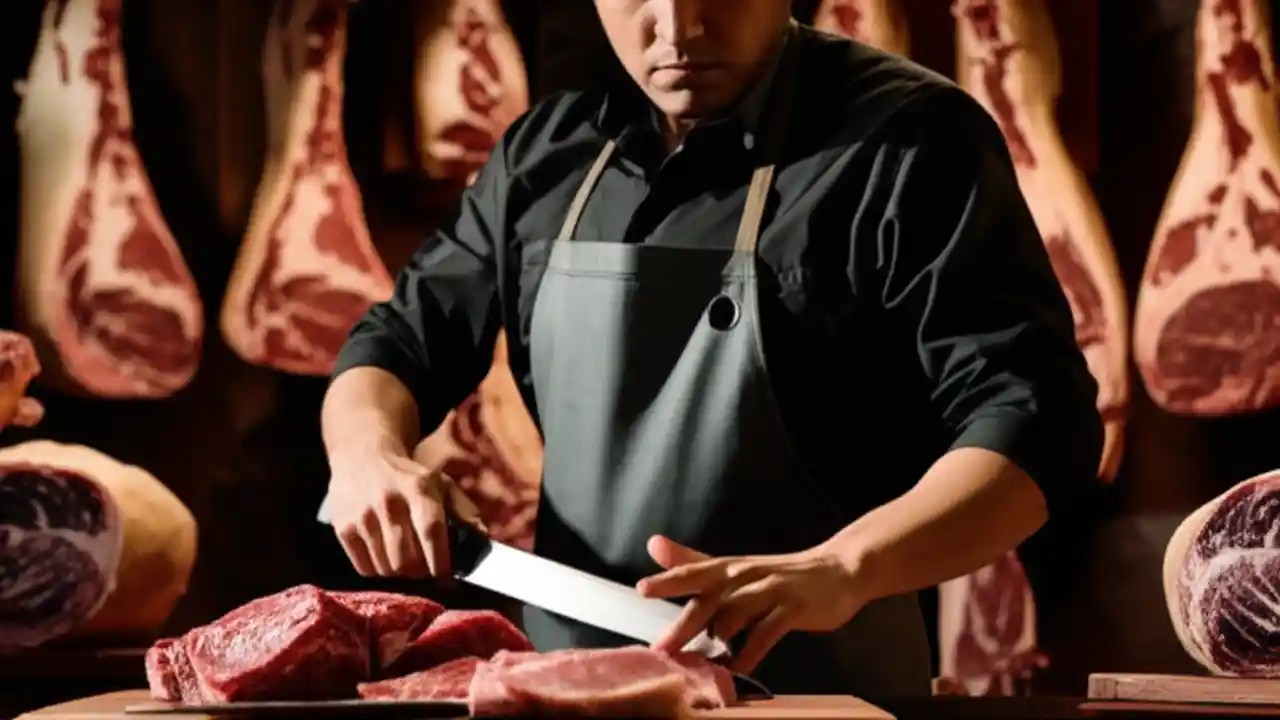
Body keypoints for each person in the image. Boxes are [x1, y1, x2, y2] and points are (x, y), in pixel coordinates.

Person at [319, 0, 1103, 700]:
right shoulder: (548, 151)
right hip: (563, 691)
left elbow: (1035, 429)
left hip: (821, 695)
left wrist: (845, 567)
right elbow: (396, 343)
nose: (678, 25)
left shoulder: (909, 139)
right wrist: (366, 456)